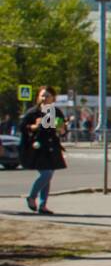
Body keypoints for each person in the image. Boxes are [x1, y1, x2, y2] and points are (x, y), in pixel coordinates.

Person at [19, 86, 66, 215]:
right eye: (42, 95)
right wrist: (34, 126)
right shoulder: (33, 112)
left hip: (51, 148)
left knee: (48, 176)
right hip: (37, 147)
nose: (44, 98)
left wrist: (61, 130)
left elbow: (61, 130)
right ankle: (32, 197)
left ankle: (42, 205)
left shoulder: (54, 112)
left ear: (53, 98)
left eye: (47, 96)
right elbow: (22, 127)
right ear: (38, 97)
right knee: (47, 174)